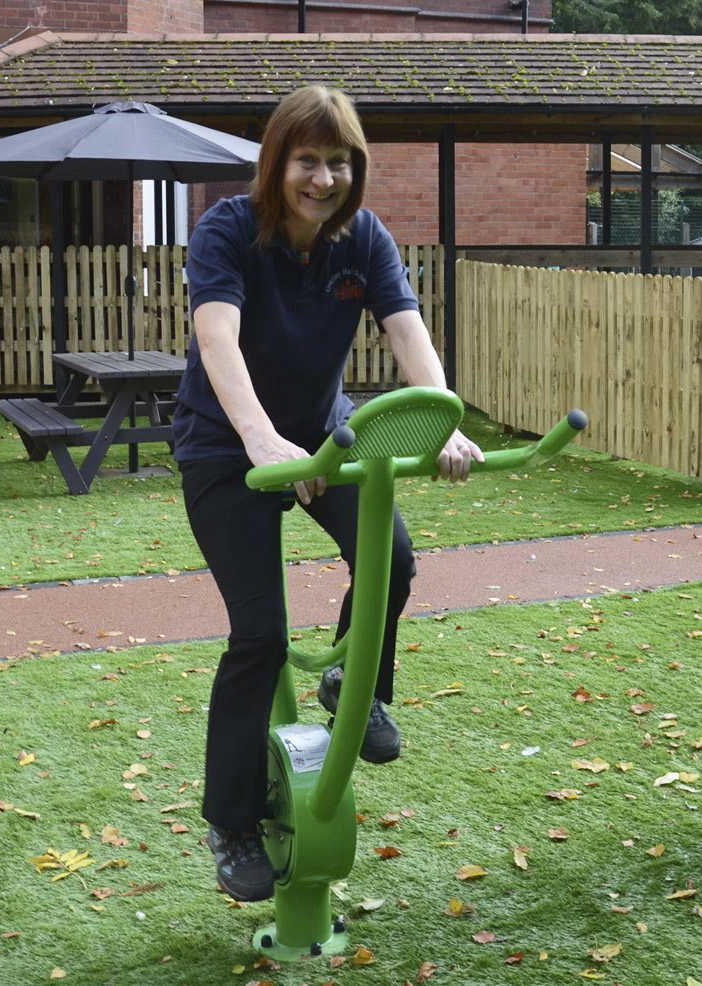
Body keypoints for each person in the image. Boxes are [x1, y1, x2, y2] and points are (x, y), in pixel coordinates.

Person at [172, 85, 484, 902]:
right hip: (225, 448)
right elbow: (217, 337)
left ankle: (356, 685)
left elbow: (407, 331)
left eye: (338, 161)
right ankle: (233, 824)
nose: (323, 178)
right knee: (261, 636)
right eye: (307, 160)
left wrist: (440, 419)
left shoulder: (363, 239)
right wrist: (259, 438)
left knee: (396, 560)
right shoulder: (227, 231)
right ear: (278, 163)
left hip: (321, 435)